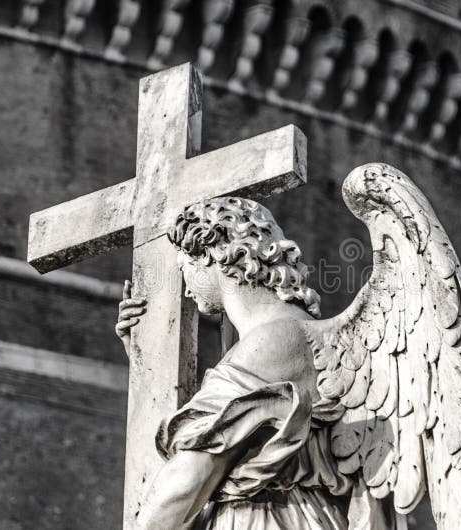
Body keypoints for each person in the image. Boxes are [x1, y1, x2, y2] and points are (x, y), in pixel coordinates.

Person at [115, 197, 361, 530]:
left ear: (210, 255)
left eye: (184, 267)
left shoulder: (273, 340)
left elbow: (190, 476)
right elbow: (202, 437)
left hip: (268, 518)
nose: (186, 290)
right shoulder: (268, 339)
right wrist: (144, 361)